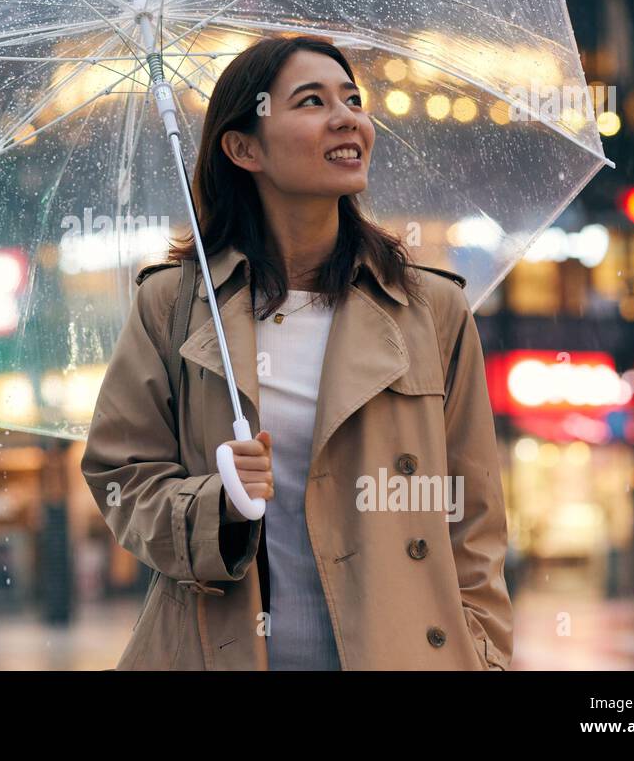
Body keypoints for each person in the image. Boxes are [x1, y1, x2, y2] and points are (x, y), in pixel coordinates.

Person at [81, 34, 513, 670]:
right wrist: (216, 505)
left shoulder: (433, 311)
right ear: (243, 147)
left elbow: (473, 518)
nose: (346, 118)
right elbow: (122, 478)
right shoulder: (174, 306)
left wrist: (483, 656)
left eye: (353, 100)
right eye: (311, 102)